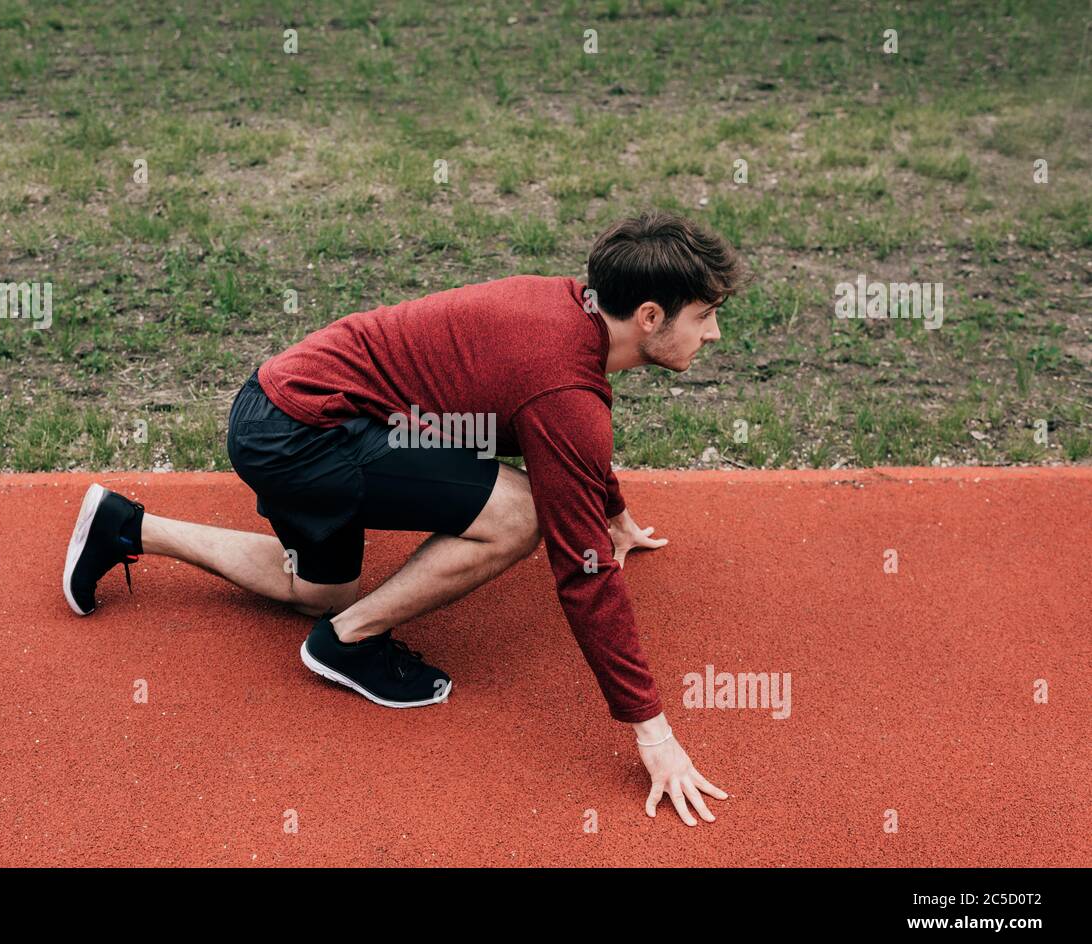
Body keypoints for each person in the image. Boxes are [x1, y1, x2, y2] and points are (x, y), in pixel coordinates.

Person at [63, 210, 747, 823]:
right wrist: (652, 730)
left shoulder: (569, 311)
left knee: (319, 591)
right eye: (705, 315)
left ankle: (127, 526)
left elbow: (569, 439)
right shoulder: (565, 386)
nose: (714, 333)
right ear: (649, 316)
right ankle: (349, 642)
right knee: (520, 514)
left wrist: (614, 513)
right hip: (304, 437)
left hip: (277, 406)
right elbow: (583, 573)